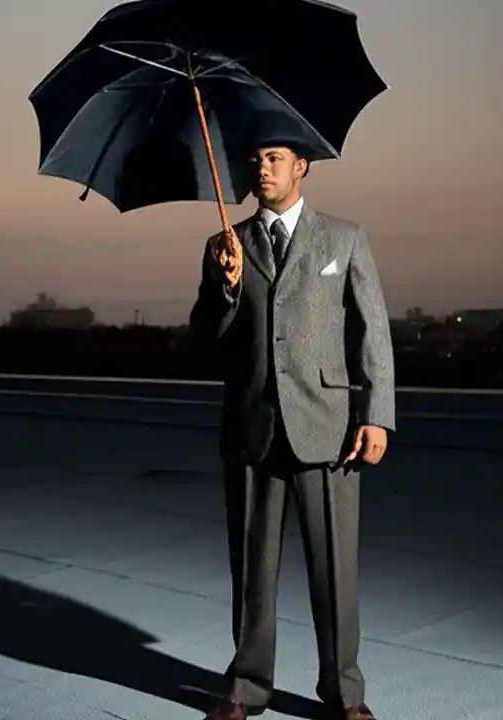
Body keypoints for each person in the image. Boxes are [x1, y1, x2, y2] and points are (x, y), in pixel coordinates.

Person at [189, 111, 396, 720]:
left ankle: (344, 694)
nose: (262, 168)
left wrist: (376, 416)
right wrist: (224, 289)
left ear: (302, 166)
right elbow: (207, 339)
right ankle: (247, 686)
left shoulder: (345, 238)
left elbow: (372, 333)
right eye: (254, 160)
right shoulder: (223, 244)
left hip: (329, 428)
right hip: (252, 427)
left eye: (274, 158)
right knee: (252, 570)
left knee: (335, 573)